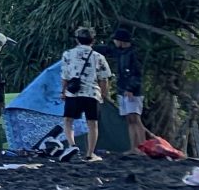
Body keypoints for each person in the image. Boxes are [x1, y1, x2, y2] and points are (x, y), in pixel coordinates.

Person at [60, 26, 113, 162]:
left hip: (73, 93)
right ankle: (90, 154)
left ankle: (72, 145)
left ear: (77, 40)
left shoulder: (68, 54)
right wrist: (104, 94)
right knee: (92, 123)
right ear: (92, 40)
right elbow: (104, 78)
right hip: (92, 93)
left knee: (68, 120)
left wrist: (63, 91)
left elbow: (65, 76)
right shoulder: (98, 57)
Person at [105, 26, 146, 152]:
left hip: (132, 91)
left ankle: (143, 147)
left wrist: (130, 88)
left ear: (121, 41)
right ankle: (133, 147)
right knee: (129, 119)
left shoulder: (133, 54)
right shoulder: (120, 53)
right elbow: (106, 50)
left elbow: (138, 74)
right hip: (122, 90)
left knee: (135, 118)